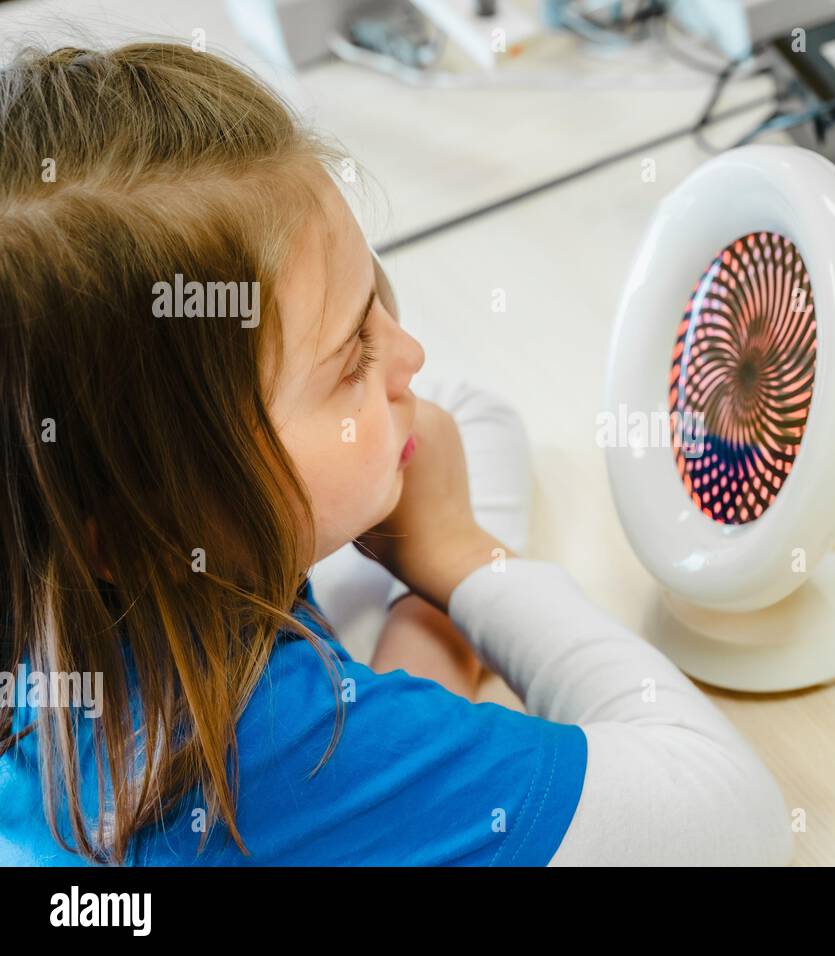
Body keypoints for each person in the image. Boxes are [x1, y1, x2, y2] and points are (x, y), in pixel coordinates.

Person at [0, 42, 792, 866]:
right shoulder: (263, 750)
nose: (406, 353)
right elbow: (733, 824)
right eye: (351, 360)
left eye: (377, 292)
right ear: (137, 531)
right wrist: (460, 559)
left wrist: (420, 658)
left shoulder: (65, 555)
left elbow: (472, 412)